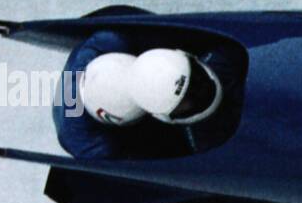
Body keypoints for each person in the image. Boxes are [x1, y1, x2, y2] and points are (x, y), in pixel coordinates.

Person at [53, 30, 241, 159]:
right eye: (187, 102)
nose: (201, 93)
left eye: (197, 82)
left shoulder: (110, 40)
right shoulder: (89, 144)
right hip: (86, 136)